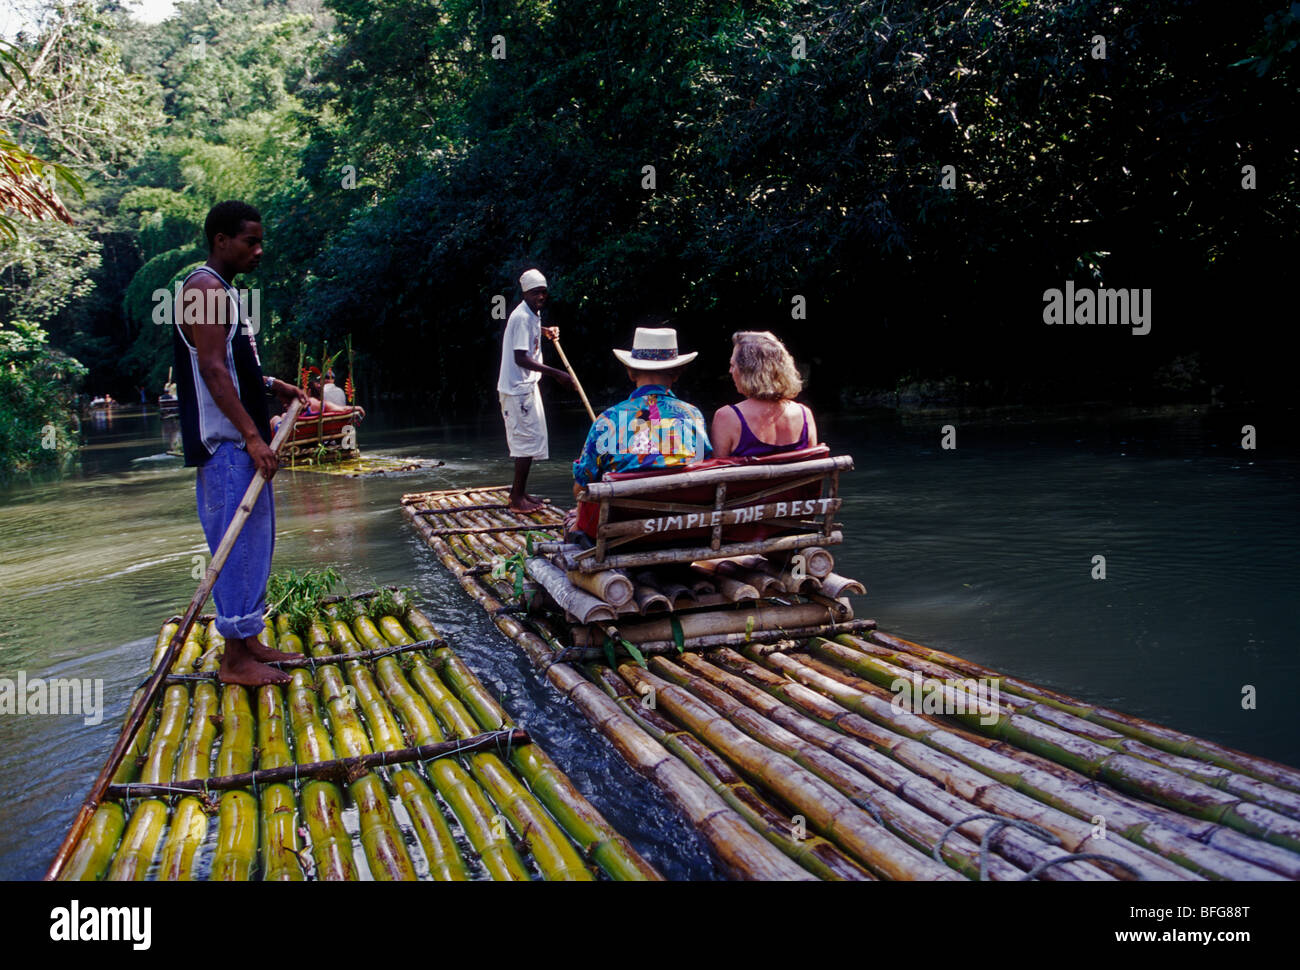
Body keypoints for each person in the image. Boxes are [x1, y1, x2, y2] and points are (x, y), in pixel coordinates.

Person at [173, 200, 308, 686]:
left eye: (260, 240)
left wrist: (272, 386)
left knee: (255, 543)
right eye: (250, 241)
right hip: (227, 444)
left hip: (241, 444)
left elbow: (230, 364)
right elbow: (209, 369)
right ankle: (233, 660)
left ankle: (248, 639)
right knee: (237, 546)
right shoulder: (205, 288)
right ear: (221, 241)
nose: (259, 250)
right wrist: (253, 436)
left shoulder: (222, 291)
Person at [572, 326, 711, 497]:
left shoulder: (608, 420)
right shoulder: (692, 415)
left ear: (631, 373)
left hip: (621, 517)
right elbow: (705, 463)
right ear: (676, 374)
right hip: (680, 516)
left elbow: (582, 487)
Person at [497, 268, 573, 511]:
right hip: (517, 389)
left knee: (532, 439)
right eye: (535, 293)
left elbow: (528, 332)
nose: (540, 296)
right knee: (524, 442)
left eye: (543, 292)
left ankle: (520, 493)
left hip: (527, 386)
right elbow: (520, 358)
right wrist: (557, 373)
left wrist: (545, 331)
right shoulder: (521, 316)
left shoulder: (531, 315)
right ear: (525, 293)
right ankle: (516, 499)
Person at [711, 330, 819, 458]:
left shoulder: (727, 417)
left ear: (748, 371)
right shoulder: (804, 414)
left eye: (733, 365)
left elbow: (717, 473)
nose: (730, 371)